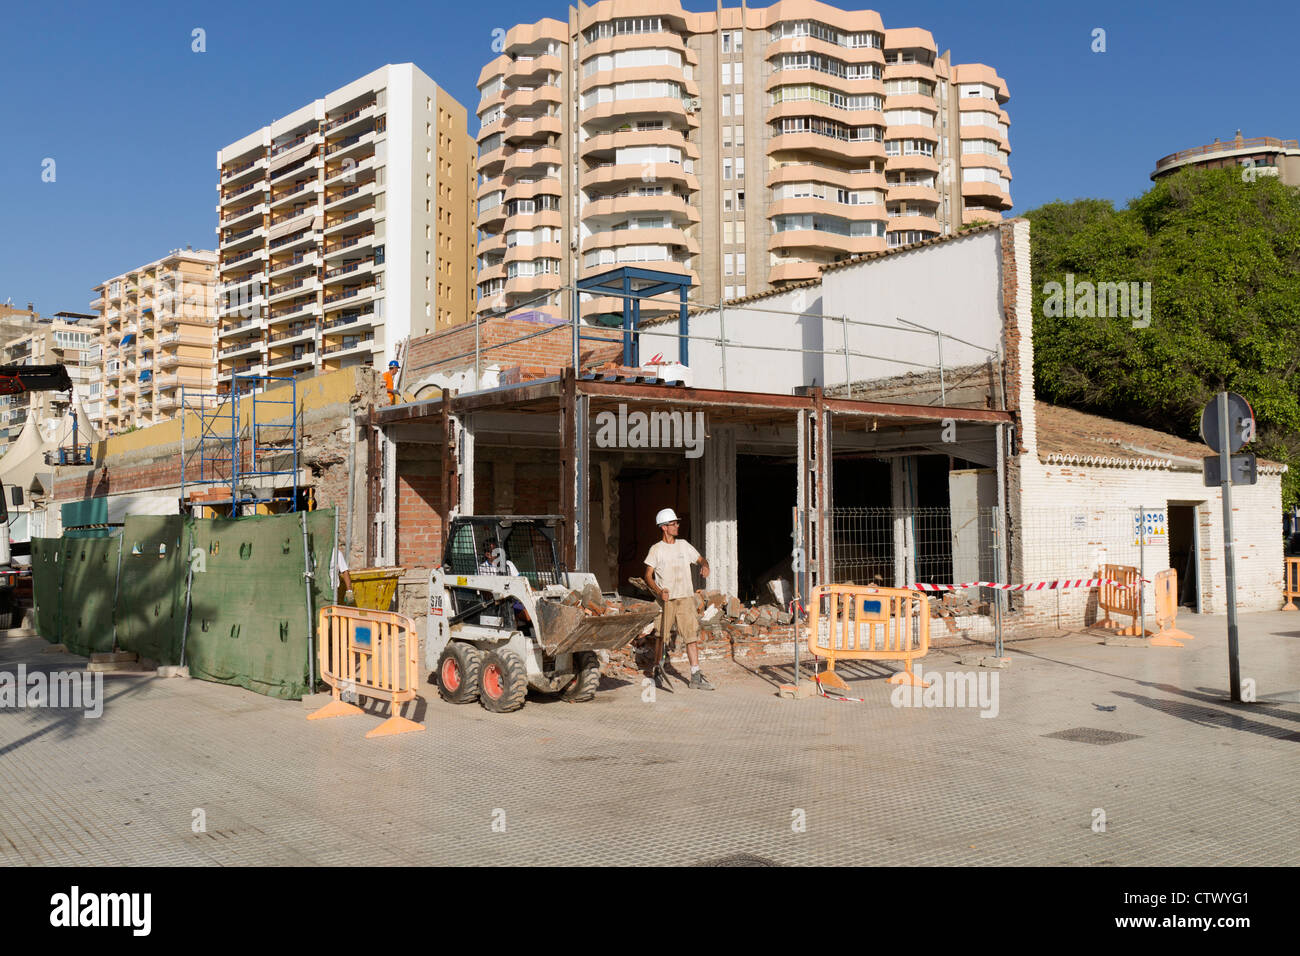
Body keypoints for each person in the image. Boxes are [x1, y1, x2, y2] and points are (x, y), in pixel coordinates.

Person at [643, 508, 714, 690]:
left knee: (691, 637)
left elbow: (700, 559)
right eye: (673, 524)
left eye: (677, 523)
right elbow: (648, 576)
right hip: (665, 600)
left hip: (685, 599)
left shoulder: (683, 545)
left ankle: (696, 675)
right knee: (661, 636)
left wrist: (705, 566)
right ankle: (657, 670)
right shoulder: (656, 550)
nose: (677, 526)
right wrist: (659, 591)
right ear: (664, 527)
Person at [477, 538, 531, 630]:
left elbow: (519, 582)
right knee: (523, 615)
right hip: (497, 602)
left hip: (513, 598)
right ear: (488, 555)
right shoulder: (482, 569)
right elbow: (486, 591)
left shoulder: (508, 564)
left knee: (530, 613)